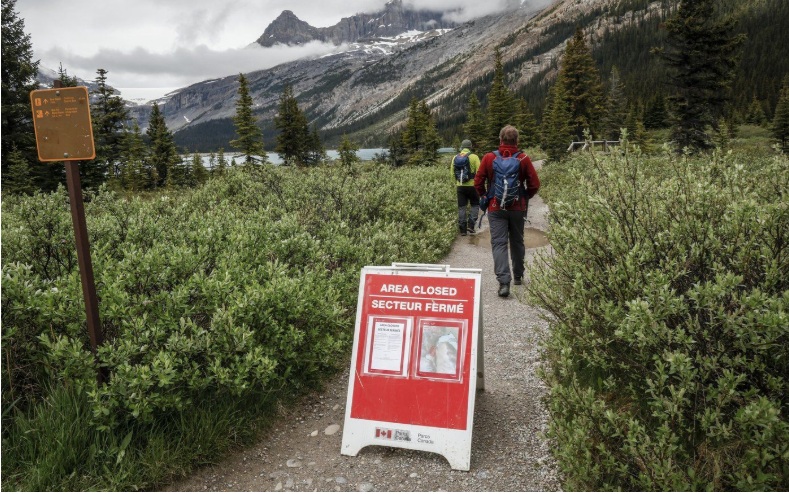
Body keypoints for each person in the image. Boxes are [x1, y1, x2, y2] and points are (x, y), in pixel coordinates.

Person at [474, 125, 540, 297]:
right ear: (516, 141)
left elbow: (478, 182)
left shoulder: (489, 158)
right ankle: (518, 275)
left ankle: (504, 283)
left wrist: (485, 197)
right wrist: (524, 197)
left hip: (495, 207)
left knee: (499, 243)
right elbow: (534, 185)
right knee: (517, 241)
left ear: (500, 139)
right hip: (518, 207)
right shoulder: (523, 158)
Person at [452, 139, 480, 236]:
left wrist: (457, 183)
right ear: (470, 147)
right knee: (475, 204)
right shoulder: (474, 157)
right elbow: (479, 172)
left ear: (462, 147)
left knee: (462, 207)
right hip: (473, 186)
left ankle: (463, 230)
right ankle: (471, 226)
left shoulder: (455, 157)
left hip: (460, 186)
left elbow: (452, 173)